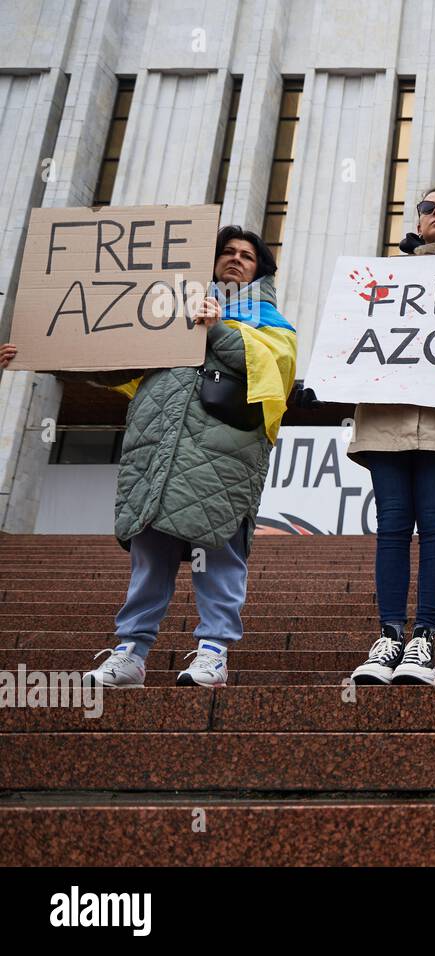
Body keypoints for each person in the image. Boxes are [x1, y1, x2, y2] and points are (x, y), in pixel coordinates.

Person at [2, 226, 297, 688]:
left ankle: (213, 654)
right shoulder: (164, 312)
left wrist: (215, 326)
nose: (236, 260)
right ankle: (130, 655)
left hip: (223, 462)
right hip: (156, 454)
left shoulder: (270, 322)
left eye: (247, 256)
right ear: (211, 261)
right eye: (227, 253)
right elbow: (115, 358)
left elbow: (272, 368)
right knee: (149, 559)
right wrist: (41, 353)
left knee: (217, 558)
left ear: (260, 270)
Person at [346, 186, 435, 685]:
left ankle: (423, 637)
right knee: (392, 526)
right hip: (387, 418)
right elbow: (352, 331)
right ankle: (388, 635)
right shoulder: (386, 276)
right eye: (427, 207)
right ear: (418, 219)